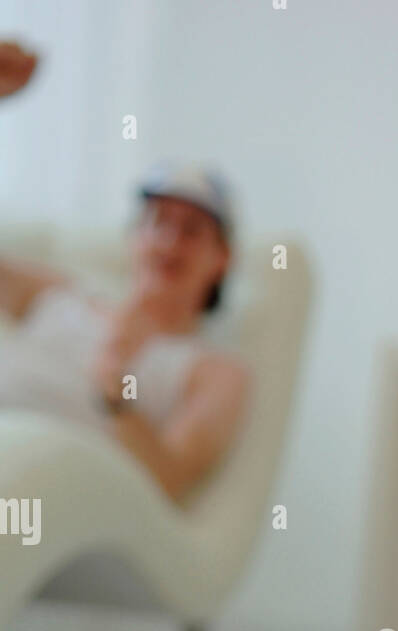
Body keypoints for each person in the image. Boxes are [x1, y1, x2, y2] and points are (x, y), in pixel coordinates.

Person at [0, 41, 249, 500]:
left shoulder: (211, 370)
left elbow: (171, 483)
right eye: (158, 223)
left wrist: (114, 381)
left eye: (192, 230)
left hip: (38, 495)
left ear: (222, 259)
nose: (170, 242)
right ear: (134, 238)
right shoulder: (62, 294)